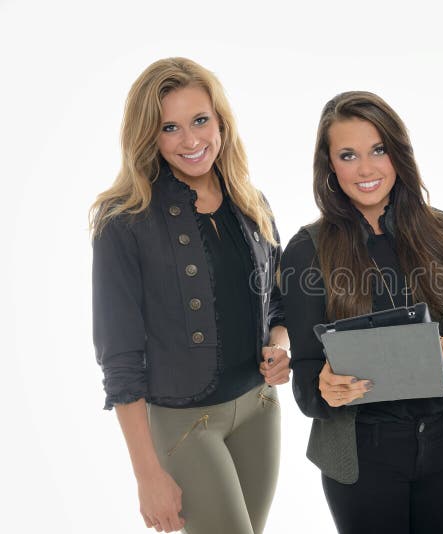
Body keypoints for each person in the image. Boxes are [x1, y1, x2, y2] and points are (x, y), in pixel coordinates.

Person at [90, 57, 290, 534]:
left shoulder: (251, 202)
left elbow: (280, 305)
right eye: (170, 128)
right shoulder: (124, 222)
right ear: (149, 137)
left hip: (260, 411)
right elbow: (120, 358)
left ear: (221, 120)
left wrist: (280, 347)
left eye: (200, 120)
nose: (192, 140)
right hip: (184, 424)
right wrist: (146, 475)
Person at [280, 91, 443, 534]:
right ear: (330, 166)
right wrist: (323, 387)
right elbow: (303, 374)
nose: (367, 168)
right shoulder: (307, 250)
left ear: (398, 152)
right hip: (362, 455)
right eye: (348, 155)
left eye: (378, 149)